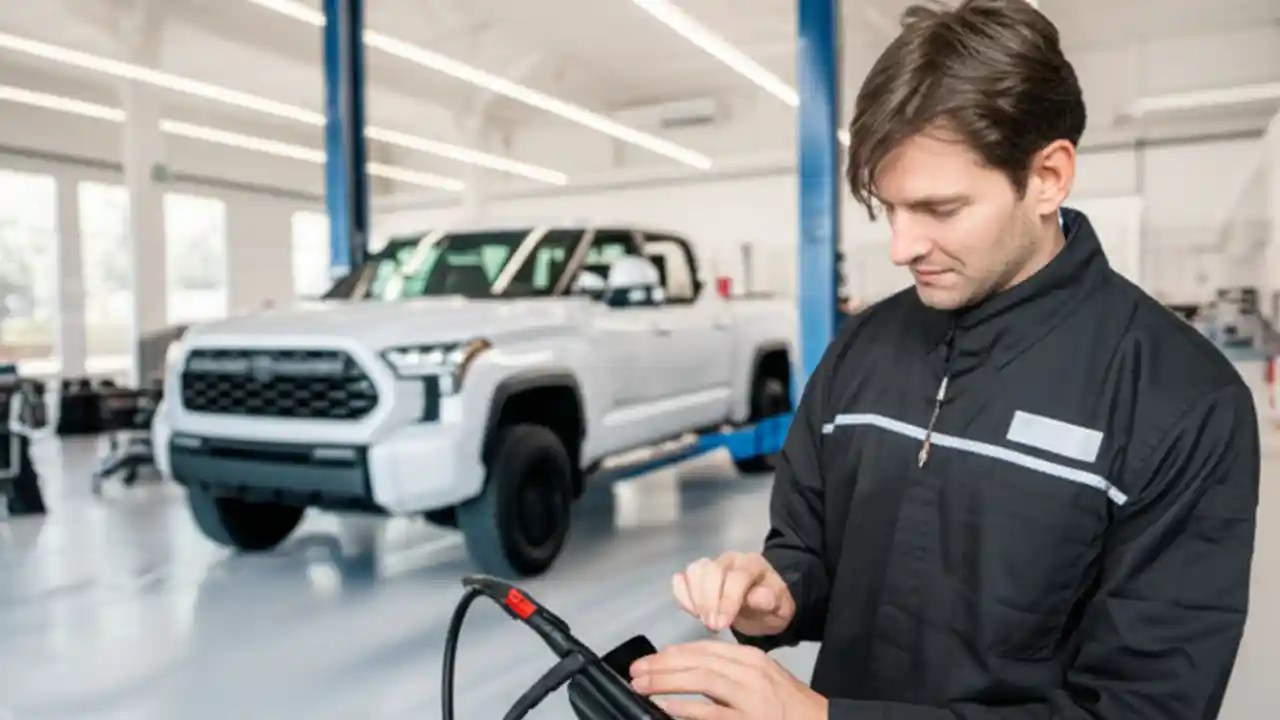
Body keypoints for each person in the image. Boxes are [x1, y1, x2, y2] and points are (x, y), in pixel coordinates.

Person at [628, 1, 1260, 718]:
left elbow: (1145, 709)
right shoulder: (865, 347)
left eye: (940, 209)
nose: (902, 248)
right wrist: (779, 593)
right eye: (888, 208)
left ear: (1048, 176)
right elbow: (811, 548)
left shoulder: (1179, 399)